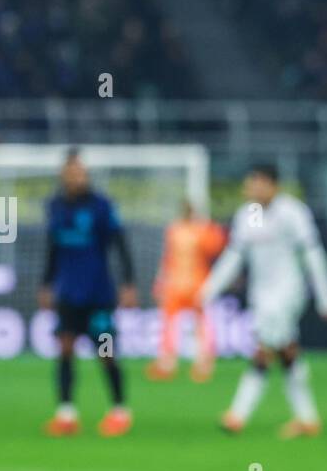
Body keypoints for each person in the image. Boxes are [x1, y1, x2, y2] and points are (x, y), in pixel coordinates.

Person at [200, 166, 327, 438]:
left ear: (272, 185)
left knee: (263, 350)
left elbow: (313, 255)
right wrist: (208, 290)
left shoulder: (293, 213)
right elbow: (233, 257)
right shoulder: (246, 216)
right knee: (287, 352)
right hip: (261, 296)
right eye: (248, 185)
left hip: (288, 293)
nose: (249, 190)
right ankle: (307, 419)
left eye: (255, 184)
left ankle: (237, 415)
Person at [38, 149, 137, 437]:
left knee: (105, 352)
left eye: (81, 172)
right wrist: (46, 283)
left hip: (98, 293)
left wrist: (128, 283)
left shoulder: (102, 206)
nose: (76, 177)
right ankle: (66, 413)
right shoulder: (55, 206)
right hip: (68, 292)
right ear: (63, 175)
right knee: (65, 348)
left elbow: (120, 244)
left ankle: (120, 410)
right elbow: (52, 248)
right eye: (71, 172)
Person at [147, 198, 226, 382]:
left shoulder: (202, 229)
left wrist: (209, 228)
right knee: (169, 324)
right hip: (175, 284)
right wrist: (160, 282)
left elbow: (216, 246)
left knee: (202, 325)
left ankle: (203, 362)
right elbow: (168, 259)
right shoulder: (174, 229)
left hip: (197, 283)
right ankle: (167, 362)